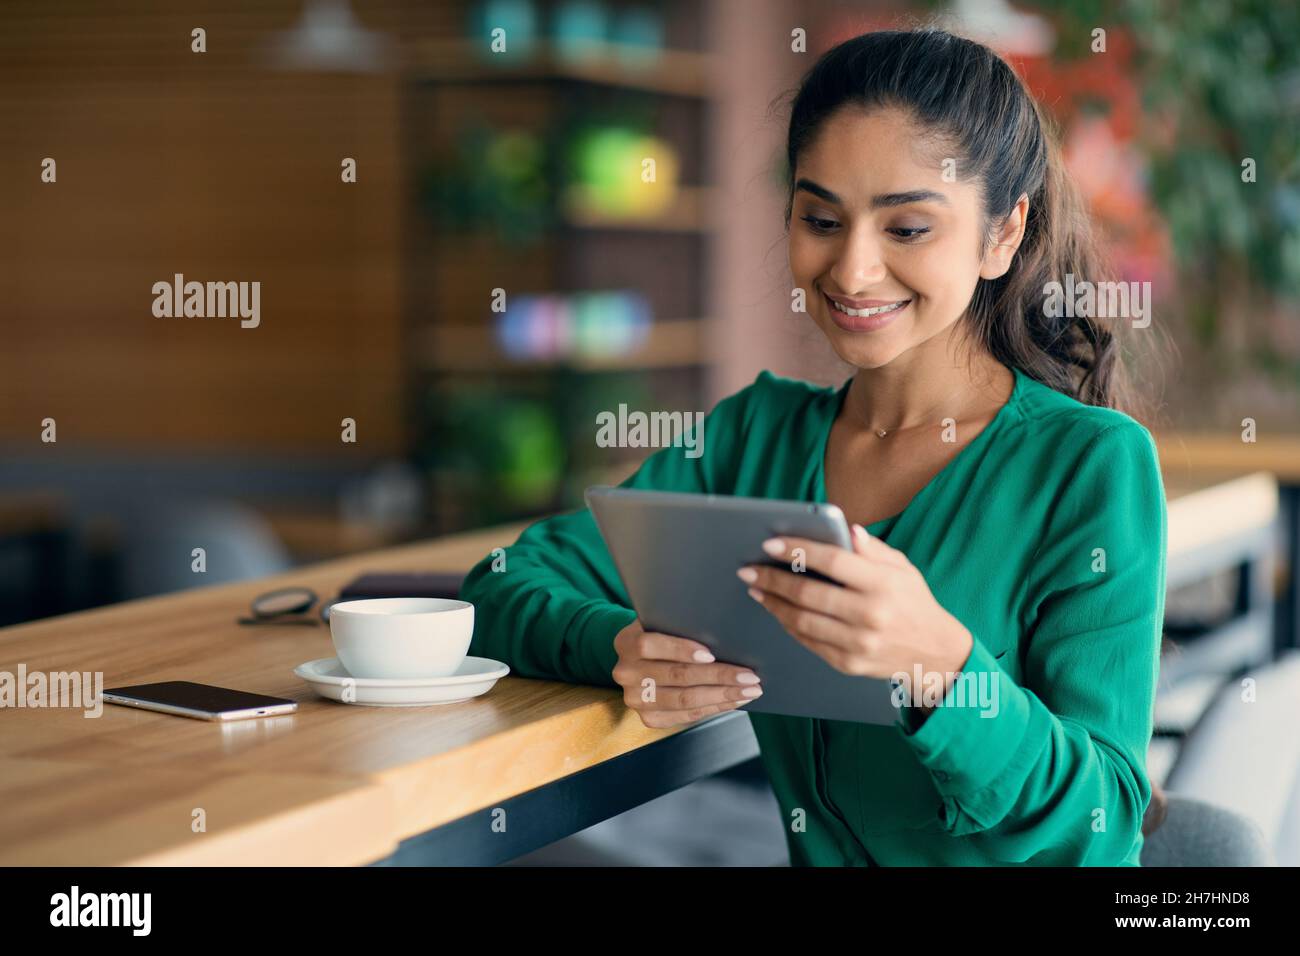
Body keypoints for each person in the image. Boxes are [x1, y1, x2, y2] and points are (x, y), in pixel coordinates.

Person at [460, 27, 1168, 866]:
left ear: (1002, 235)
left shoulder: (1091, 467)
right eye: (821, 218)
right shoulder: (754, 437)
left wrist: (942, 669)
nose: (853, 270)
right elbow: (501, 590)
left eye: (907, 228)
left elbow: (1109, 820)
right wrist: (618, 645)